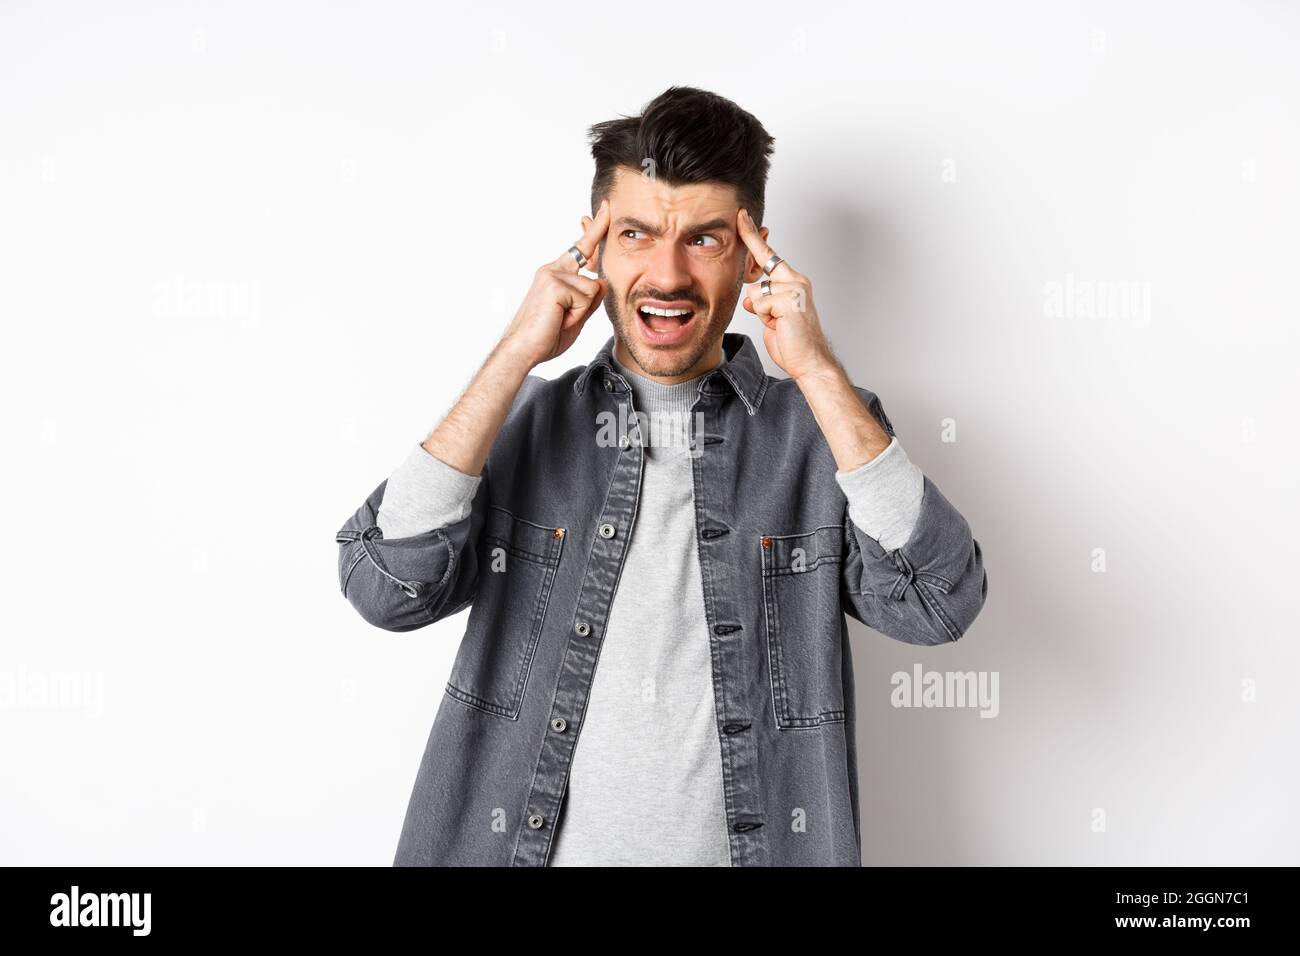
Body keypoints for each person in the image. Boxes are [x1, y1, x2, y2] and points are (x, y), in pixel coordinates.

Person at [334, 86, 988, 866]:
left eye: (705, 240)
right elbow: (384, 588)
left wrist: (816, 369)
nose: (668, 275)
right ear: (593, 246)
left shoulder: (821, 434)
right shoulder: (523, 422)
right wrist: (515, 353)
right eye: (637, 233)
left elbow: (938, 605)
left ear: (752, 254)